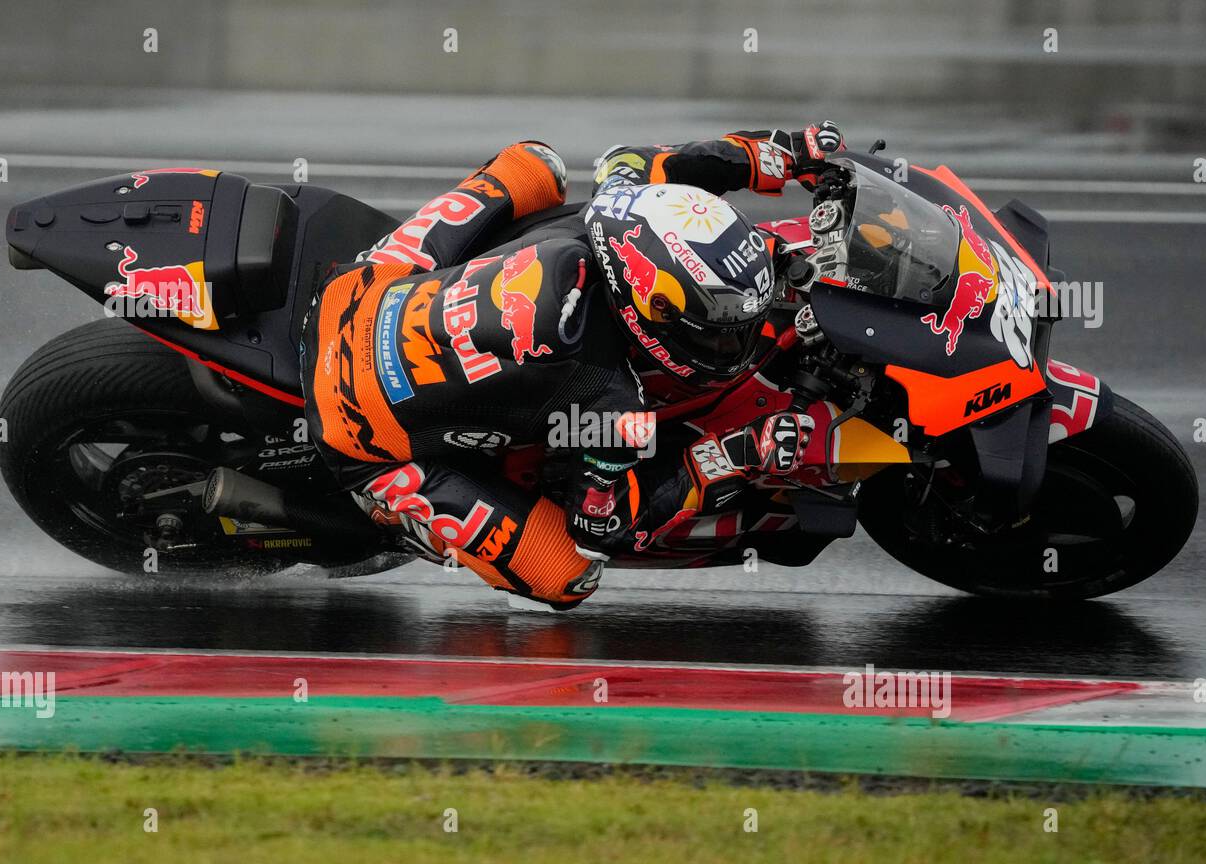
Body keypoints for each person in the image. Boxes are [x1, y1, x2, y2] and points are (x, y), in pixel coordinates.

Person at [301, 124, 844, 609]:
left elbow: (643, 161)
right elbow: (601, 528)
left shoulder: (616, 208)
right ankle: (392, 515)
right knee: (568, 576)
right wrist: (730, 455)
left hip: (363, 289)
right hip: (358, 425)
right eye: (718, 332)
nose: (731, 345)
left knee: (536, 163)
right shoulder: (614, 403)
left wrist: (778, 153)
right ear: (649, 306)